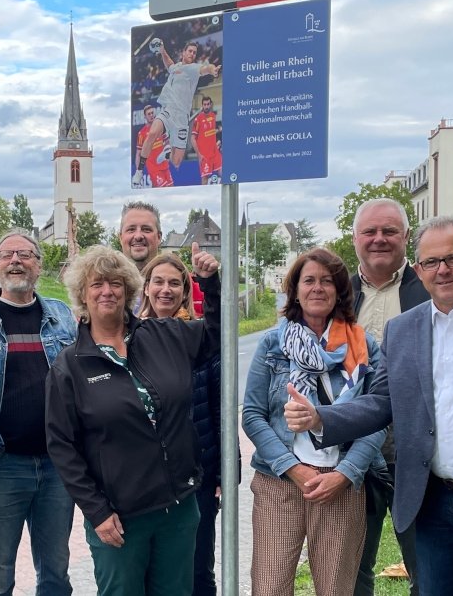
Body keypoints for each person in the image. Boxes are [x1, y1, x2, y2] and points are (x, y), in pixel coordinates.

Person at [284, 216, 453, 596]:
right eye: (431, 262)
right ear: (418, 270)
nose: (442, 270)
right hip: (433, 500)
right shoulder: (404, 328)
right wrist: (319, 417)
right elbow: (381, 401)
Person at [45, 244, 222, 596]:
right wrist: (96, 511)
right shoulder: (71, 365)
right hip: (119, 520)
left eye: (115, 283)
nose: (107, 291)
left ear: (128, 290)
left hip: (178, 509)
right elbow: (62, 446)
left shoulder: (164, 335)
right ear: (82, 294)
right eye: (96, 284)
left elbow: (216, 336)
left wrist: (211, 284)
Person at [243, 248, 387, 596]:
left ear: (339, 290)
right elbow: (252, 414)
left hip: (340, 485)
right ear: (295, 290)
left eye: (327, 281)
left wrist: (347, 472)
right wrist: (293, 467)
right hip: (280, 482)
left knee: (336, 588)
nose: (318, 288)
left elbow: (379, 417)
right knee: (270, 587)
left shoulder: (363, 346)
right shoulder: (273, 344)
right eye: (309, 280)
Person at [0, 231, 79, 596]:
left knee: (56, 574)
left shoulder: (64, 318)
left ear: (39, 265)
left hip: (58, 466)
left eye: (25, 253)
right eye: (6, 254)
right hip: (0, 466)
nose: (15, 260)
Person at [349, 198, 430, 596]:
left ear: (406, 237)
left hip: (415, 452)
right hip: (351, 457)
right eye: (370, 232)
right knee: (350, 566)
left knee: (426, 565)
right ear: (355, 239)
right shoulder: (335, 296)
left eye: (389, 231)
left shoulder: (433, 290)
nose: (379, 239)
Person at [137, 252, 228, 596]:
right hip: (144, 477)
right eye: (158, 282)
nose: (166, 289)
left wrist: (223, 470)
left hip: (197, 473)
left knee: (197, 569)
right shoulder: (130, 338)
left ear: (185, 291)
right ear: (145, 288)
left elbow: (221, 407)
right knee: (150, 571)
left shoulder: (197, 337)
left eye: (175, 283)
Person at [151, 39, 220, 167]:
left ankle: (167, 154)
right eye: (190, 51)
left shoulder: (193, 68)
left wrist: (212, 69)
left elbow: (206, 68)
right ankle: (166, 143)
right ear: (183, 52)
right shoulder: (176, 67)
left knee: (176, 162)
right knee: (157, 128)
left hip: (183, 117)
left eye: (194, 53)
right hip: (170, 109)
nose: (192, 54)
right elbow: (169, 64)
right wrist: (162, 51)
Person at [117, 201, 163, 269]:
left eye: (146, 229)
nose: (138, 236)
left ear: (159, 237)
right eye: (131, 229)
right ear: (120, 238)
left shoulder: (178, 278)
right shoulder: (104, 277)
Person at [136, 106, 174, 188]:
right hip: (154, 169)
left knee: (171, 189)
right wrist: (138, 171)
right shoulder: (141, 133)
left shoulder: (161, 128)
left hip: (165, 166)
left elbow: (167, 142)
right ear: (145, 117)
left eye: (152, 113)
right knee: (164, 189)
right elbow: (138, 154)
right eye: (148, 114)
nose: (151, 115)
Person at [191, 95, 222, 184]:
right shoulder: (198, 119)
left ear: (210, 104)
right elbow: (192, 139)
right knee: (205, 178)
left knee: (224, 174)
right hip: (204, 155)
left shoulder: (213, 116)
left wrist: (218, 142)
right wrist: (199, 154)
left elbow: (214, 132)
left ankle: (223, 194)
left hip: (215, 152)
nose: (206, 106)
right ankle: (203, 196)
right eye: (204, 104)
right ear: (202, 105)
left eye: (208, 104)